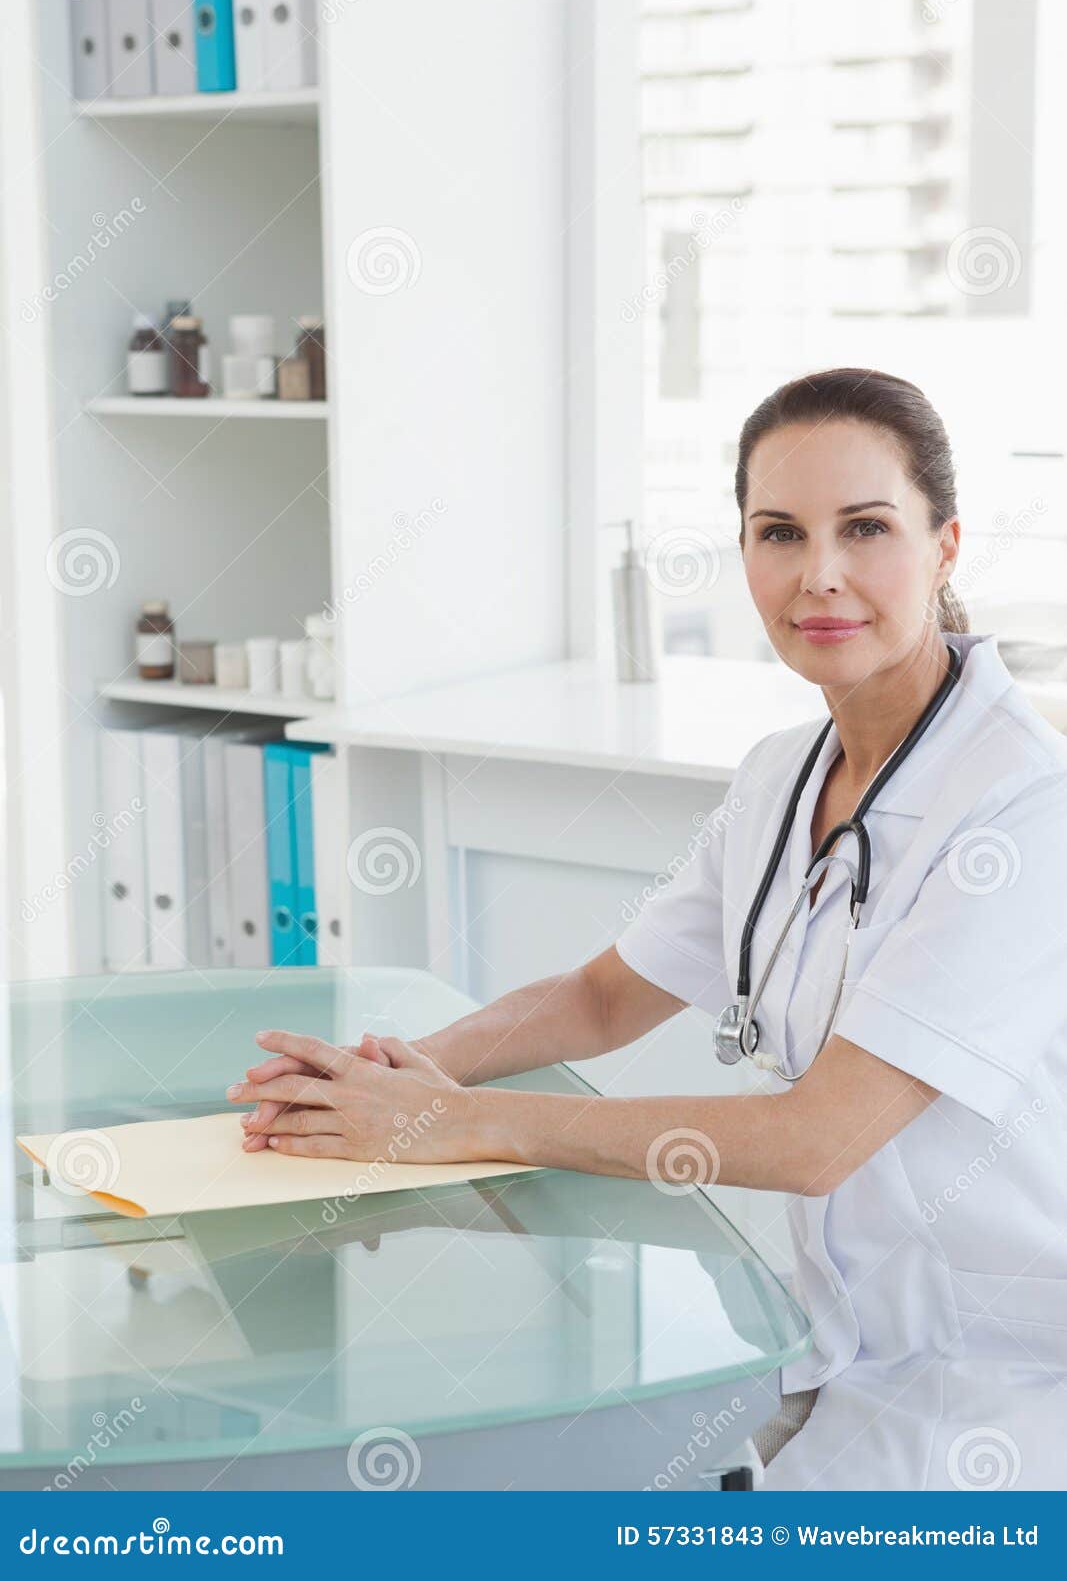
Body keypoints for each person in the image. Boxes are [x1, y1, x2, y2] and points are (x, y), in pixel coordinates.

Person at [227, 369, 1067, 1491]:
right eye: (779, 532)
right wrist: (389, 1071)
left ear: (945, 543)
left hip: (1004, 1387)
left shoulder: (1021, 803)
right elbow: (601, 997)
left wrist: (450, 1122)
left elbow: (817, 1137)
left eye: (865, 528)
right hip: (832, 1350)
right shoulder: (783, 775)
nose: (818, 573)